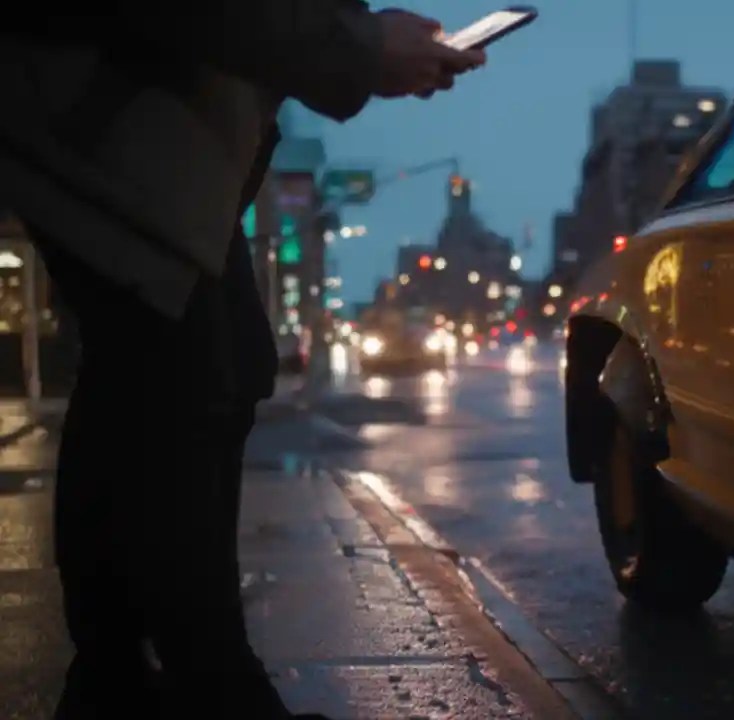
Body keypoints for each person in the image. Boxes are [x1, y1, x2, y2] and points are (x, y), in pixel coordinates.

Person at [0, 3, 484, 718]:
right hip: (103, 106)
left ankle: (122, 683)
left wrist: (356, 40)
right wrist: (355, 48)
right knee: (185, 372)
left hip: (135, 117)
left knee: (199, 365)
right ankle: (207, 687)